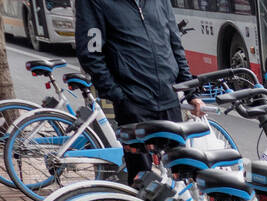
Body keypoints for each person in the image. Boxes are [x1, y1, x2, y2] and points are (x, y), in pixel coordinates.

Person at [75, 0, 205, 183]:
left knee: (182, 175)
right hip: (133, 103)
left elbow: (175, 45)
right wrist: (118, 95)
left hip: (168, 99)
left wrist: (190, 92)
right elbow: (90, 53)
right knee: (142, 179)